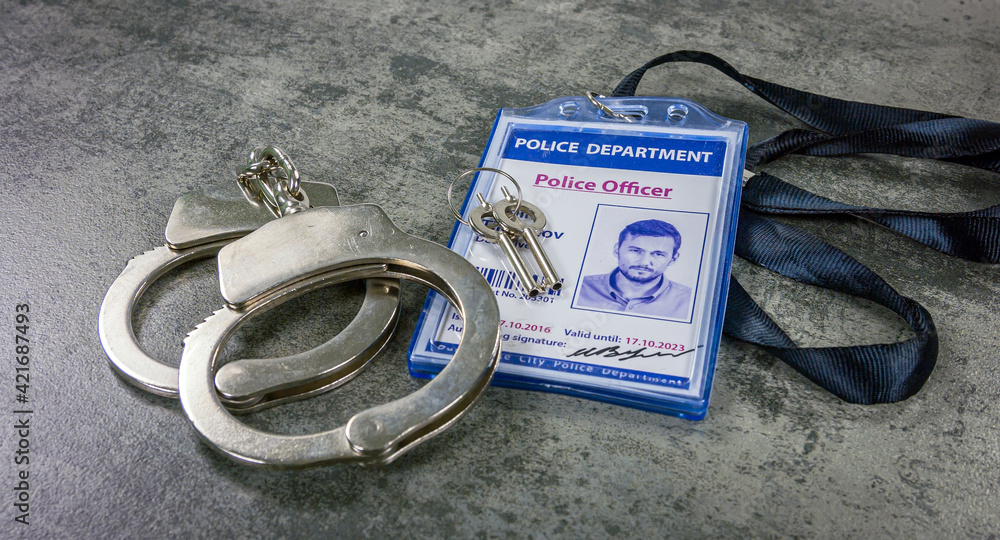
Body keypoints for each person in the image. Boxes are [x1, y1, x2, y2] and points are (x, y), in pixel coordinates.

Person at [577, 219, 692, 319]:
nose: (644, 262)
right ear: (617, 250)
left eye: (658, 254)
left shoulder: (689, 302)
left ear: (673, 259)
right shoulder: (579, 287)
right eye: (635, 251)